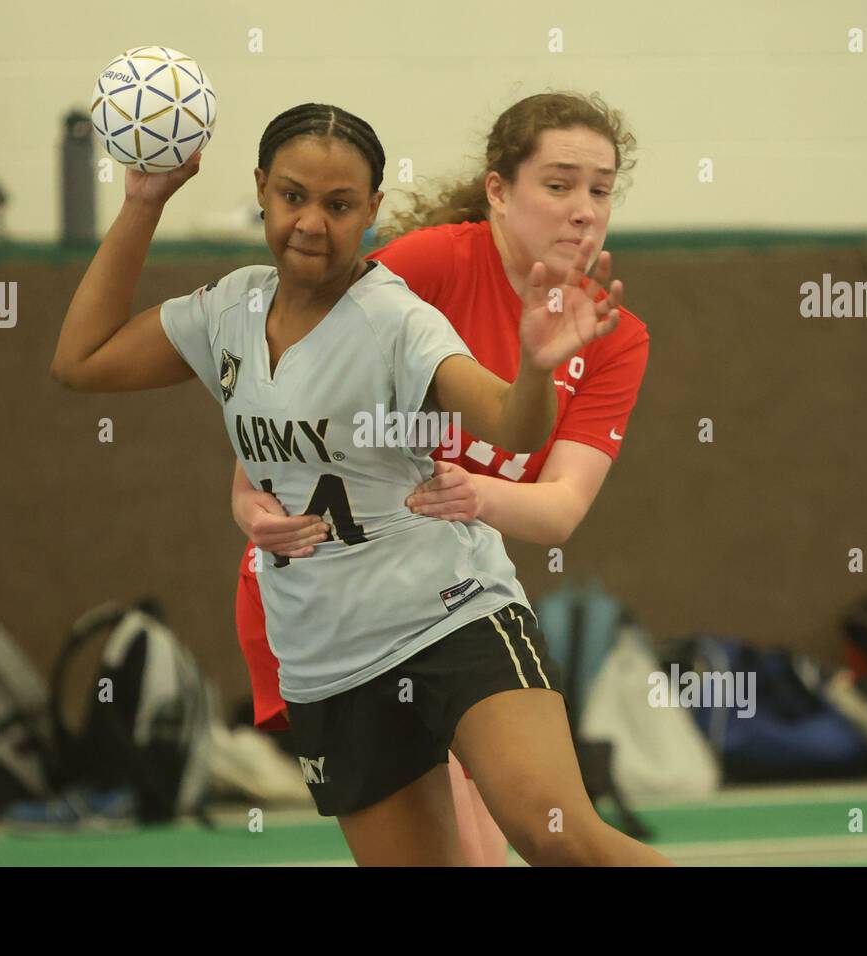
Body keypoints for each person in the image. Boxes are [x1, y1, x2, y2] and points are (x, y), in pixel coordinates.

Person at [52, 101, 670, 866]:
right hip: (325, 649)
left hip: (448, 614)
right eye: (292, 197)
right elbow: (80, 362)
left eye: (339, 204)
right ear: (261, 191)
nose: (312, 222)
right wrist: (144, 202)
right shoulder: (228, 312)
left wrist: (536, 366)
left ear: (371, 211)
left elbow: (512, 428)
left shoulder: (397, 319)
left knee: (560, 840)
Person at [230, 92, 651, 865]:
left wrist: (476, 496)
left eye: (601, 188)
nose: (584, 210)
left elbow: (559, 511)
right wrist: (242, 493)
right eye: (559, 185)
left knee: (553, 834)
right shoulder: (429, 269)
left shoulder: (611, 334)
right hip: (322, 601)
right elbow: (283, 375)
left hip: (447, 602)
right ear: (498, 190)